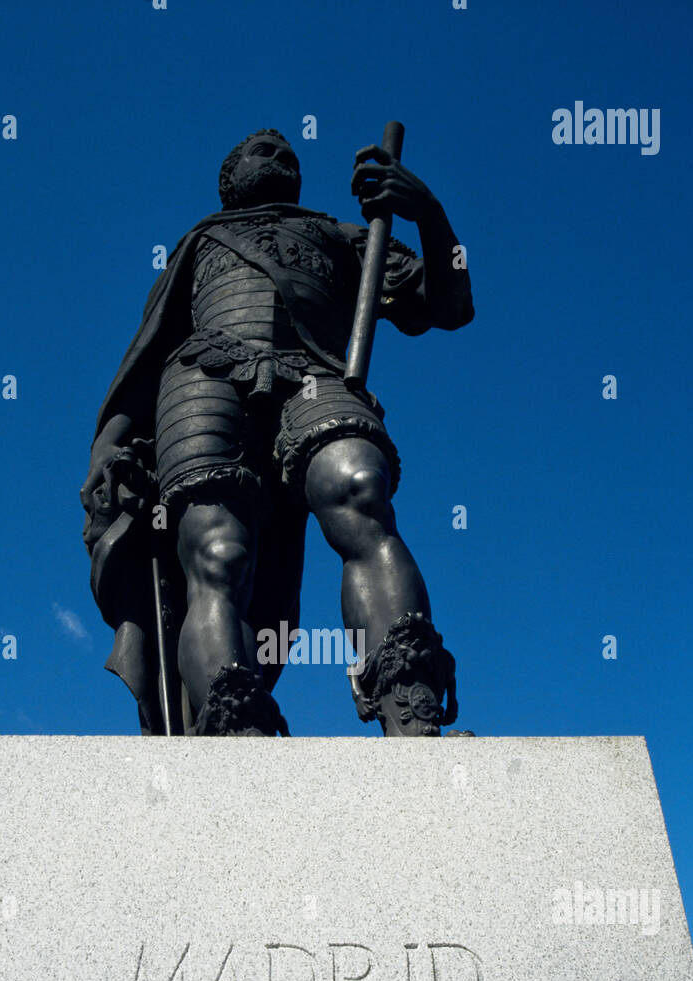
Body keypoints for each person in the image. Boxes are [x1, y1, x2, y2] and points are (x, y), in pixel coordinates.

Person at [81, 129, 474, 736]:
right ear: (229, 177)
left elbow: (449, 303)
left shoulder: (345, 235)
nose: (282, 157)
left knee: (360, 488)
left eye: (289, 153)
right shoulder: (200, 242)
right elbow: (146, 350)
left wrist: (430, 213)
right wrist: (110, 447)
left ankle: (411, 711)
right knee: (219, 554)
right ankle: (237, 730)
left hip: (316, 376)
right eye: (263, 151)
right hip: (202, 382)